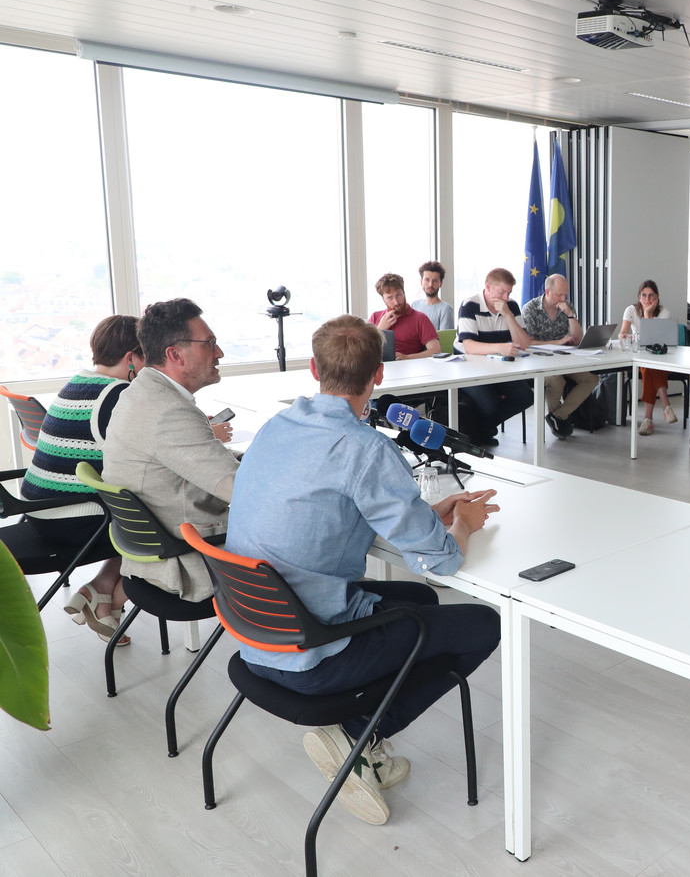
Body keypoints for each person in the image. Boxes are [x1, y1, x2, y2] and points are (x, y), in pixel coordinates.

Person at [227, 315, 501, 827]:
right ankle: (358, 731)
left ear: (313, 368)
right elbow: (440, 563)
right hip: (311, 655)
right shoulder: (366, 448)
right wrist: (462, 521)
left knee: (420, 606)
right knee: (484, 624)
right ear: (378, 375)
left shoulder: (275, 428)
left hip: (253, 634)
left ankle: (359, 731)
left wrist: (426, 518)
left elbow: (325, 511)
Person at [101, 299, 239, 602]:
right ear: (175, 354)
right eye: (210, 344)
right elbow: (244, 492)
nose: (219, 353)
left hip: (150, 556)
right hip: (190, 562)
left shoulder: (138, 393)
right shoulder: (169, 412)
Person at [20, 315, 144, 644]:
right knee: (159, 517)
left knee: (136, 505)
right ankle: (108, 596)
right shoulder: (118, 394)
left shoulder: (78, 381)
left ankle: (102, 595)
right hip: (73, 520)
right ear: (131, 357)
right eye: (149, 356)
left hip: (37, 511)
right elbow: (148, 456)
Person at [453, 268, 534, 446]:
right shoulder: (470, 305)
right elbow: (469, 346)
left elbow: (524, 343)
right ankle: (479, 432)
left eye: (509, 292)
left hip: (498, 366)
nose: (505, 297)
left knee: (526, 397)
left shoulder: (510, 306)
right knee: (489, 405)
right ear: (488, 287)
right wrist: (499, 347)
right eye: (501, 292)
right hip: (468, 368)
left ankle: (481, 430)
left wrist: (508, 315)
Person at [520, 274, 597, 438]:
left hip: (564, 358)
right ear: (548, 291)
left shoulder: (567, 307)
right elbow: (527, 342)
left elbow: (577, 339)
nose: (563, 298)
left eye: (565, 294)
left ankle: (558, 416)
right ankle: (559, 423)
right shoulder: (530, 309)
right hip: (539, 360)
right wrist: (558, 342)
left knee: (591, 379)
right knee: (556, 380)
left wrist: (570, 315)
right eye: (559, 294)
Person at [620, 280, 677, 435]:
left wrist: (647, 314)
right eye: (644, 295)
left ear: (657, 297)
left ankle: (648, 419)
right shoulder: (631, 310)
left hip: (662, 358)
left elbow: (653, 339)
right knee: (647, 367)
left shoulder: (664, 312)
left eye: (651, 295)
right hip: (641, 357)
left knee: (649, 368)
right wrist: (624, 335)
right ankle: (666, 406)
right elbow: (623, 331)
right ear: (639, 297)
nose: (647, 299)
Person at [368, 273, 441, 360]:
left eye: (398, 295)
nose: (396, 302)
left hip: (410, 367)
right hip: (379, 367)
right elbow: (363, 351)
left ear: (404, 293)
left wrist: (407, 357)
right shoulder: (375, 317)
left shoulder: (420, 318)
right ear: (383, 299)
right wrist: (380, 330)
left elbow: (435, 351)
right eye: (390, 298)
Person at [409, 260, 455, 331]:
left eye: (435, 281)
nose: (430, 284)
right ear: (421, 282)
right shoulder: (414, 305)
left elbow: (445, 339)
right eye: (427, 280)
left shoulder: (445, 309)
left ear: (440, 283)